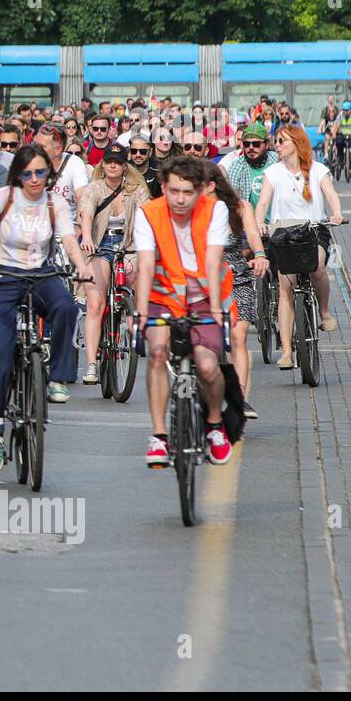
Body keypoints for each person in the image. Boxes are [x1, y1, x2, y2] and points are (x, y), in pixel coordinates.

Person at [0, 144, 89, 471]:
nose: (35, 179)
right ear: (18, 174)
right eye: (28, 173)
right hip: (0, 276)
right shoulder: (2, 197)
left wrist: (81, 266)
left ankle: (58, 378)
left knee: (66, 307)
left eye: (41, 172)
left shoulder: (54, 202)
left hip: (40, 273)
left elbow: (69, 240)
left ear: (50, 173)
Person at [134, 156, 237, 467]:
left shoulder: (215, 209)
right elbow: (146, 264)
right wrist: (140, 313)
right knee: (157, 351)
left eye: (188, 192)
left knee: (207, 366)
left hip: (205, 295)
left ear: (201, 191)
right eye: (174, 191)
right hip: (162, 295)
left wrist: (217, 311)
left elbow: (213, 259)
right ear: (163, 187)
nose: (180, 199)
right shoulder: (148, 214)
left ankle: (215, 425)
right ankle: (159, 436)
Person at [253, 124, 345, 370]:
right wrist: (260, 221)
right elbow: (262, 203)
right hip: (283, 232)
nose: (277, 146)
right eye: (276, 141)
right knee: (285, 286)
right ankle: (285, 352)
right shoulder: (273, 172)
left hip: (314, 229)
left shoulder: (318, 170)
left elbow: (331, 194)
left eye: (282, 141)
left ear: (296, 143)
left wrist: (336, 213)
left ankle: (324, 312)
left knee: (317, 268)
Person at [78, 143, 150, 384]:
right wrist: (87, 237)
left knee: (137, 273)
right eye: (109, 161)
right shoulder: (94, 188)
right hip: (98, 246)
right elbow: (86, 213)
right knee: (96, 303)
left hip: (128, 245)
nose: (112, 165)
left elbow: (147, 215)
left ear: (124, 166)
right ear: (103, 164)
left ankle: (134, 322)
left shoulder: (136, 189)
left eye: (118, 162)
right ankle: (90, 364)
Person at [202, 163, 268, 419]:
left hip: (237, 277)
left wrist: (260, 254)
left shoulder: (240, 207)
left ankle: (240, 397)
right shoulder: (191, 210)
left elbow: (252, 233)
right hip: (205, 281)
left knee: (239, 338)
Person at [221, 122, 277, 206]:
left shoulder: (276, 161)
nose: (251, 147)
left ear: (267, 145)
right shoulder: (236, 167)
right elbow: (233, 203)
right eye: (246, 144)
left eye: (256, 144)